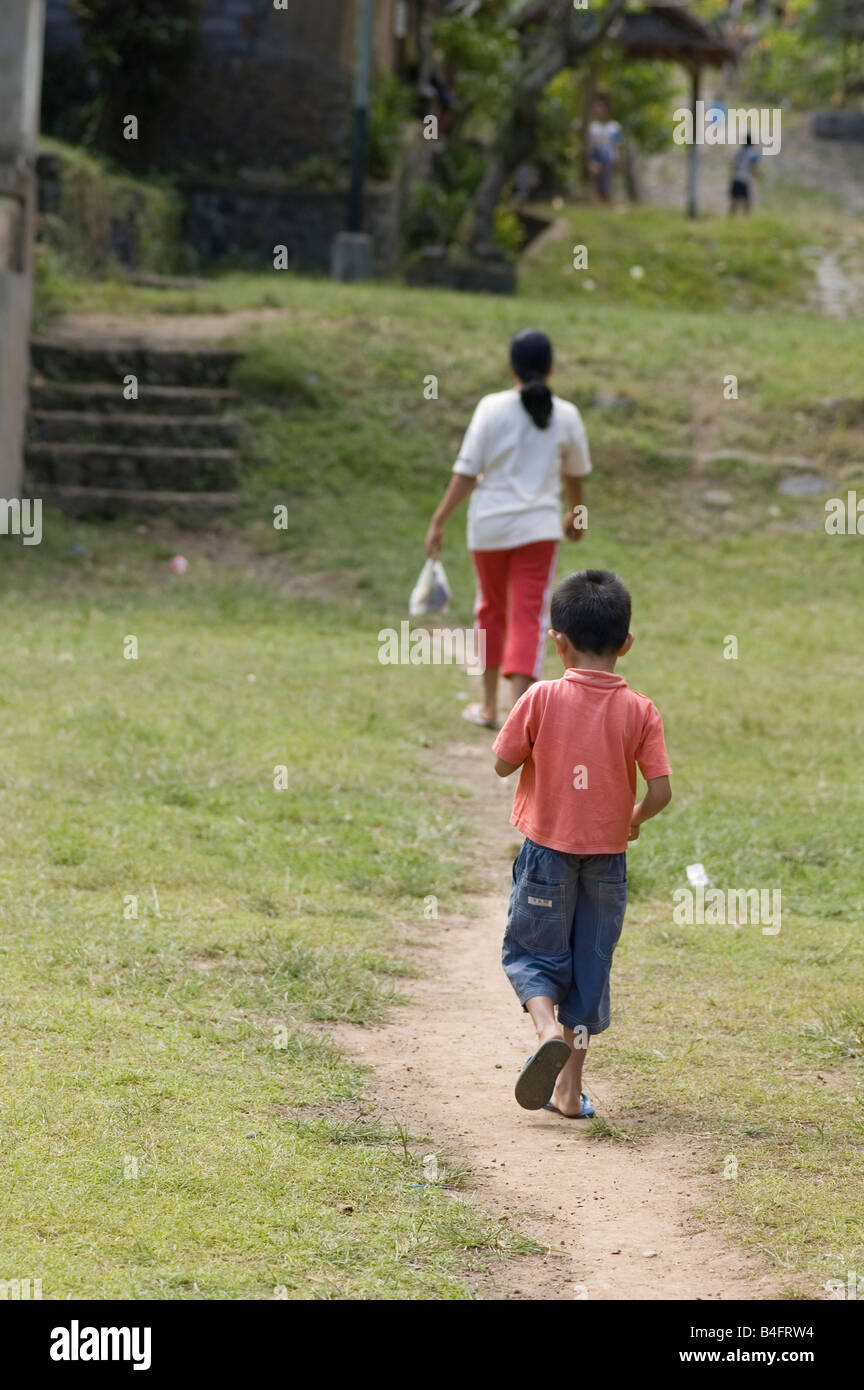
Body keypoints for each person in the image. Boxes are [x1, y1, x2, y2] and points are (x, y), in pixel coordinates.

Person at [491, 570, 672, 1117]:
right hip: (607, 860)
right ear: (626, 644)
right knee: (589, 965)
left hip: (548, 853)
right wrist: (633, 818)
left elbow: (502, 764)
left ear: (557, 639)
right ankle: (569, 1092)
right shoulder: (641, 709)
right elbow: (661, 791)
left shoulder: (539, 697)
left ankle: (545, 1029)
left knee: (533, 951)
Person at [424, 330, 591, 729]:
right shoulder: (565, 414)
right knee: (528, 616)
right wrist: (577, 514)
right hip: (538, 530)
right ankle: (520, 717)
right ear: (551, 368)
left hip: (488, 528)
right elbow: (575, 475)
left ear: (511, 366)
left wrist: (438, 521)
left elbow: (466, 472)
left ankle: (487, 708)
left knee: (490, 610)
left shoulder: (490, 408)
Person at [586, 96, 622, 203]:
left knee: (607, 185)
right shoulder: (593, 127)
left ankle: (607, 204)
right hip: (596, 159)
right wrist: (589, 160)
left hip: (609, 159)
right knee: (596, 185)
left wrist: (618, 162)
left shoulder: (614, 127)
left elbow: (618, 145)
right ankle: (598, 206)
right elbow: (589, 145)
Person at [729, 133, 760, 216]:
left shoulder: (739, 152)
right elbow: (753, 167)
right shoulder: (753, 153)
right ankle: (746, 220)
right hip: (744, 179)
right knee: (747, 201)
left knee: (735, 201)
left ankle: (731, 220)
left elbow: (734, 165)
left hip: (736, 177)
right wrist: (759, 176)